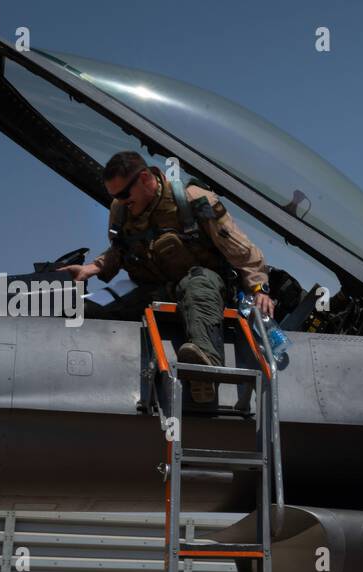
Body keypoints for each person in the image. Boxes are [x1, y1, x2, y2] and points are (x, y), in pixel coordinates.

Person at [61, 151, 274, 402]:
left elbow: (242, 251)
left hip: (205, 287)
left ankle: (205, 367)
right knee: (89, 308)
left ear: (144, 178)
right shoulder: (121, 210)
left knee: (198, 281)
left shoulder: (193, 200)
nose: (119, 201)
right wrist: (92, 269)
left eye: (123, 194)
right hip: (155, 290)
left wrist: (259, 289)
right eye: (114, 196)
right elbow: (120, 250)